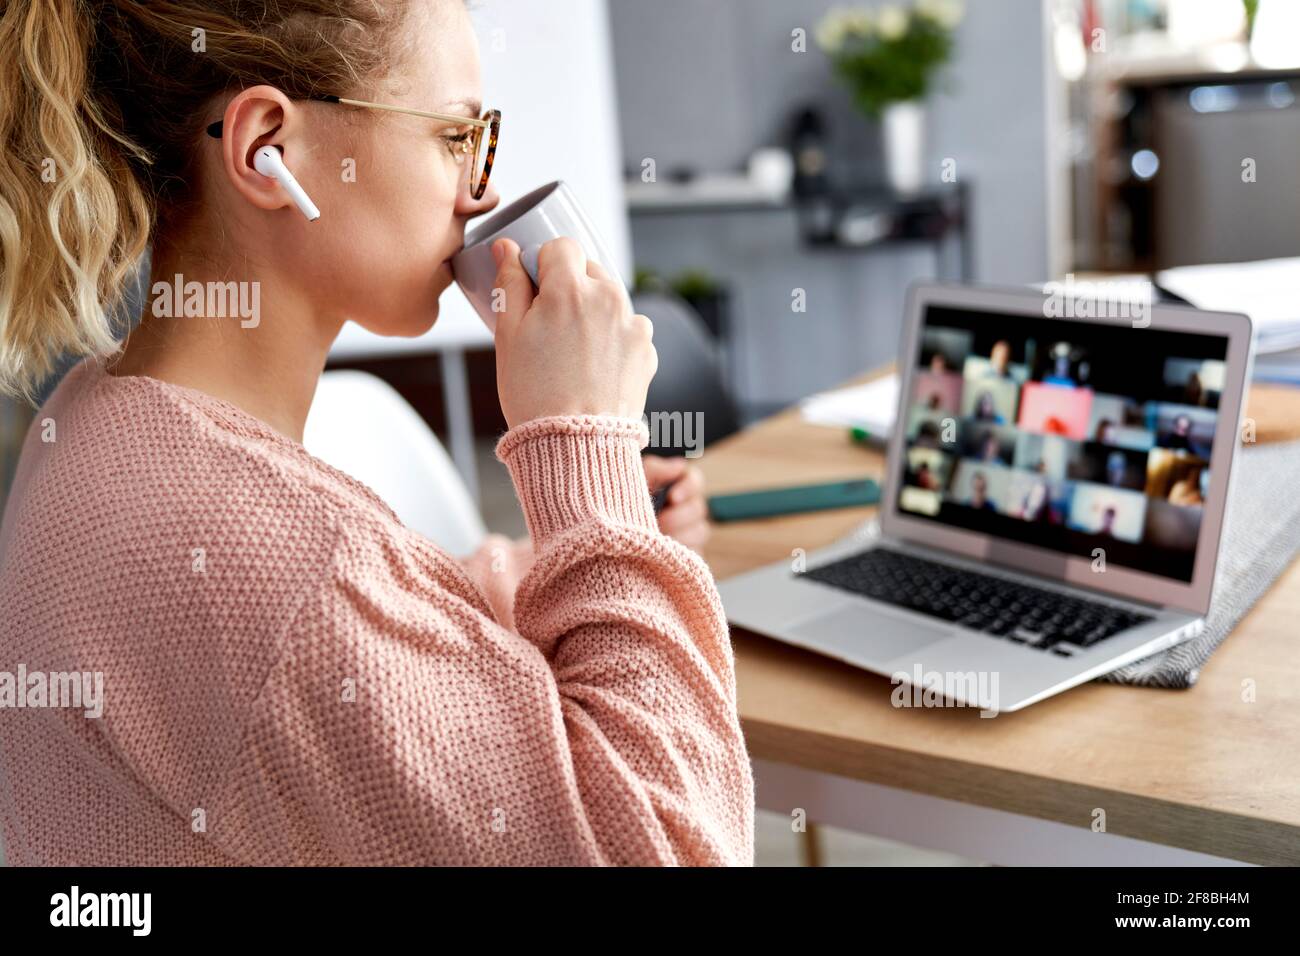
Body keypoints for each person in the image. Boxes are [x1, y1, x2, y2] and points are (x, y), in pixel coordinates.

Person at [0, 0, 752, 865]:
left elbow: (377, 633)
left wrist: (586, 549)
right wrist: (585, 451)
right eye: (452, 137)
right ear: (266, 153)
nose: (484, 191)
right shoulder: (285, 572)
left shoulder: (95, 418)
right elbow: (677, 848)